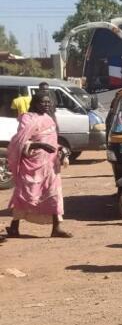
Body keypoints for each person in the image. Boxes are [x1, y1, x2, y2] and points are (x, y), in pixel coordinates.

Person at [5, 92, 72, 240]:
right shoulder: (27, 118)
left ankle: (57, 227)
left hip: (50, 165)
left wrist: (61, 149)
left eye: (48, 103)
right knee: (25, 195)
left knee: (54, 194)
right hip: (32, 164)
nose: (46, 105)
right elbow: (19, 142)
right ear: (35, 103)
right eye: (43, 102)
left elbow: (52, 142)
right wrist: (39, 145)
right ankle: (14, 226)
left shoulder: (49, 119)